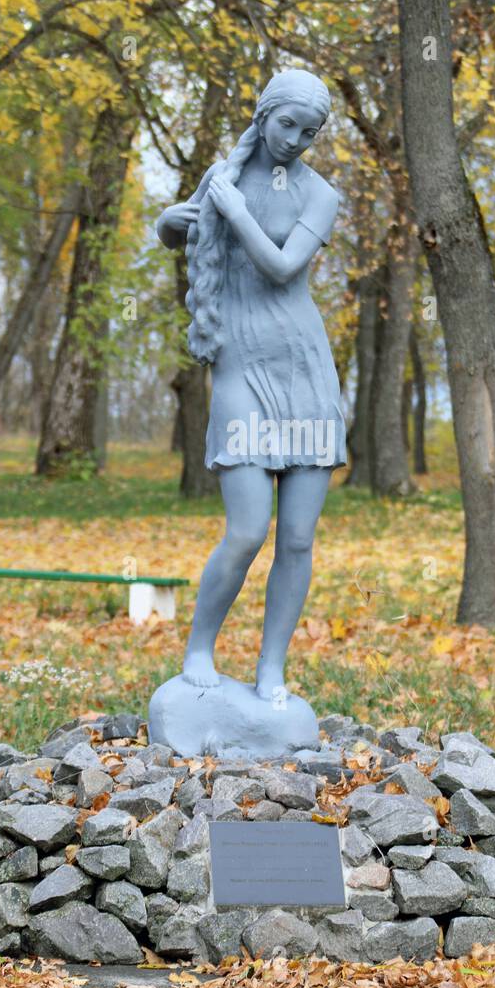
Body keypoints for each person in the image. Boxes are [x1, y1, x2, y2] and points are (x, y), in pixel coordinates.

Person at [156, 69, 346, 703]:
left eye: (309, 131)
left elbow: (285, 267)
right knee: (246, 530)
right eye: (287, 124)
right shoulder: (226, 177)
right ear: (264, 116)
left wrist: (232, 212)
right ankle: (199, 648)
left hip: (304, 369)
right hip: (240, 364)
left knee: (296, 537)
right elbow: (187, 236)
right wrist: (167, 220)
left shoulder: (320, 195)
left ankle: (271, 667)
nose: (295, 140)